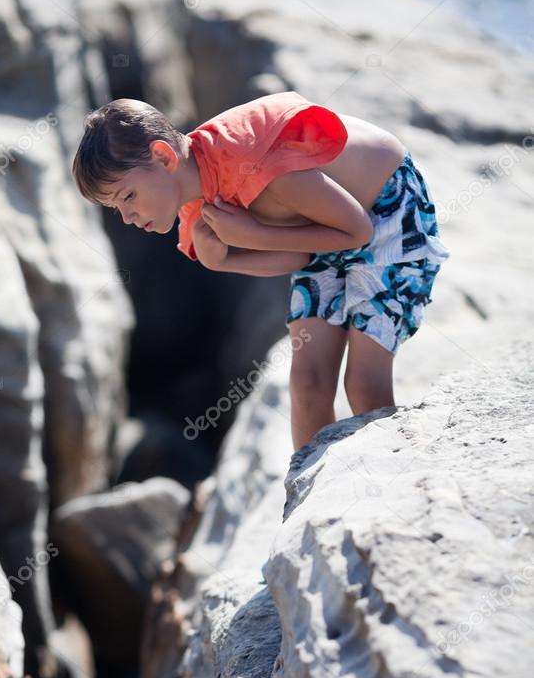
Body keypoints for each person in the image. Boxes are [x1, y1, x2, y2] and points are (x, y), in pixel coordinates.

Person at [71, 91, 450, 451]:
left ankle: (391, 480)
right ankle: (310, 497)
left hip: (388, 213)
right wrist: (224, 260)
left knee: (363, 385)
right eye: (116, 209)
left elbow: (358, 231)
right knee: (307, 386)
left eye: (128, 197)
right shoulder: (195, 199)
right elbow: (301, 257)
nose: (128, 217)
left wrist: (252, 233)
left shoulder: (255, 158)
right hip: (326, 237)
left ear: (164, 157)